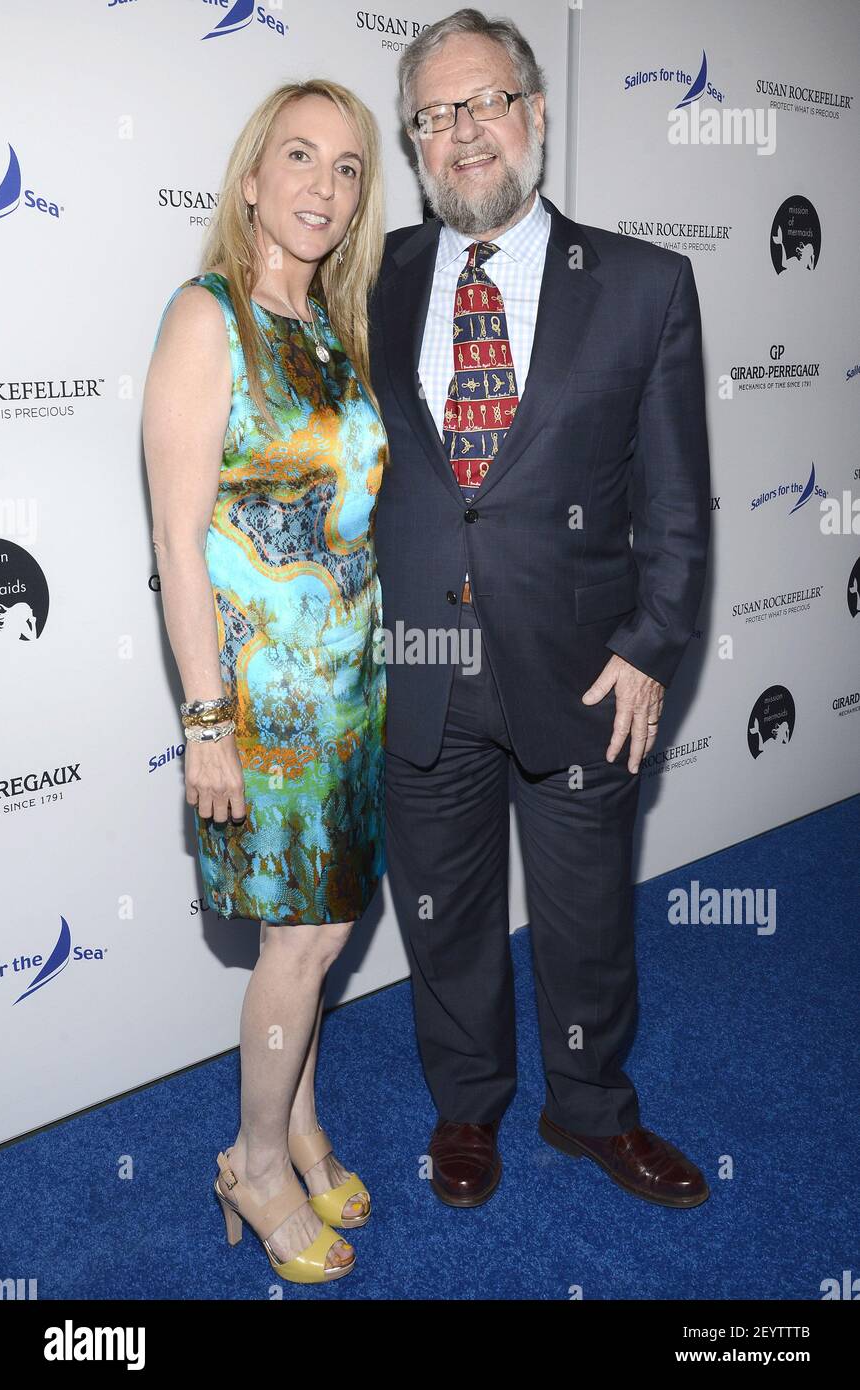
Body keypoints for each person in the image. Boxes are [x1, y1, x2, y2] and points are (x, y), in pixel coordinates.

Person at [369, 8, 712, 1209]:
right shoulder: (378, 277)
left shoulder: (642, 284)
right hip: (418, 659)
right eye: (436, 113)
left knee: (584, 918)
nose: (465, 131)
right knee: (445, 912)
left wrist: (652, 648)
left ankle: (590, 1111)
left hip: (577, 667)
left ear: (536, 113)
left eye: (487, 102)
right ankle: (466, 1109)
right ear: (415, 143)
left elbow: (676, 502)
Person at [142, 80, 387, 1284]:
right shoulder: (209, 318)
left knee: (324, 932)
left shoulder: (331, 326)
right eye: (299, 157)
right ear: (250, 177)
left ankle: (291, 1116)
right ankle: (251, 1158)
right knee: (301, 939)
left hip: (348, 692)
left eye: (346, 169)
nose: (322, 188)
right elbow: (177, 542)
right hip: (259, 707)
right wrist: (203, 721)